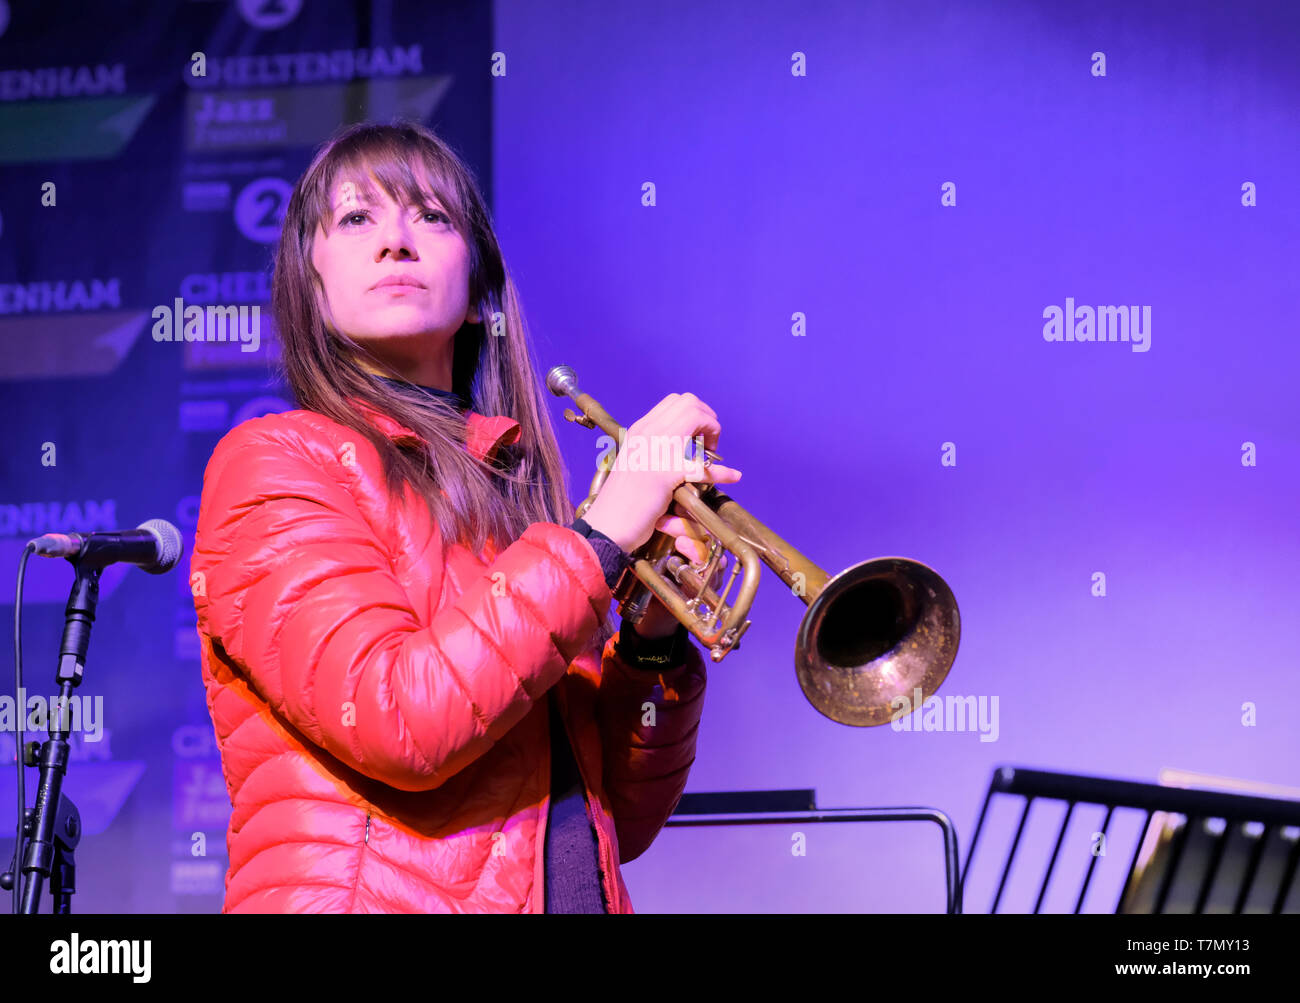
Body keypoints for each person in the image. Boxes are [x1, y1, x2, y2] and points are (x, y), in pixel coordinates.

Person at [190, 120, 742, 913]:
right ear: (308, 286)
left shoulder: (515, 508)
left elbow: (619, 819)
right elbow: (398, 716)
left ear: (482, 290)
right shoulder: (274, 463)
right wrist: (599, 539)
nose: (396, 242)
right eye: (356, 218)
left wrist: (653, 638)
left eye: (432, 217)